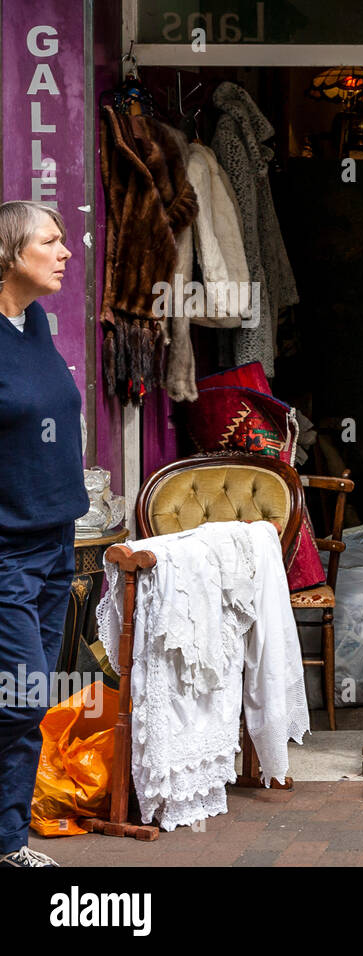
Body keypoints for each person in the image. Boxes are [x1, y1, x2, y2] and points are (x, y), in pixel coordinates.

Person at [0, 201, 87, 866]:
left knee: (30, 704)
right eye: (50, 241)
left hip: (57, 547)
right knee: (22, 698)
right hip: (8, 555)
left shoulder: (35, 323)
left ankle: (9, 846)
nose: (64, 251)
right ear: (9, 255)